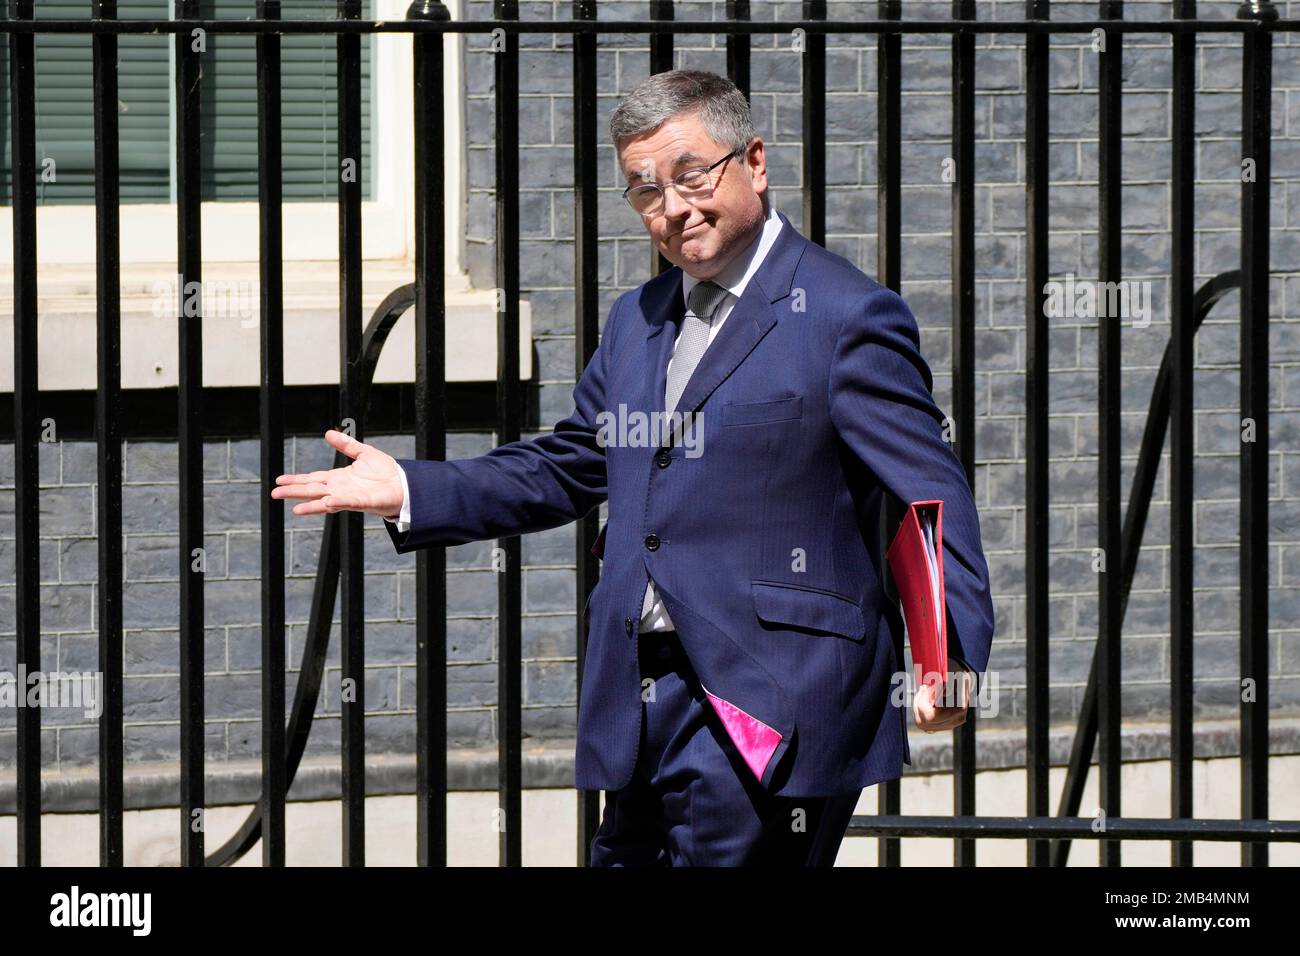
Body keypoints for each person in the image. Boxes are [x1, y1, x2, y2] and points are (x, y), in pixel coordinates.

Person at [272, 69, 994, 866]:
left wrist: (948, 656)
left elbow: (928, 488)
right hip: (640, 701)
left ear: (753, 162)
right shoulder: (638, 320)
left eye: (692, 176)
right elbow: (574, 462)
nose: (673, 207)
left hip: (772, 699)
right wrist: (413, 487)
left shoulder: (844, 314)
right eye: (646, 190)